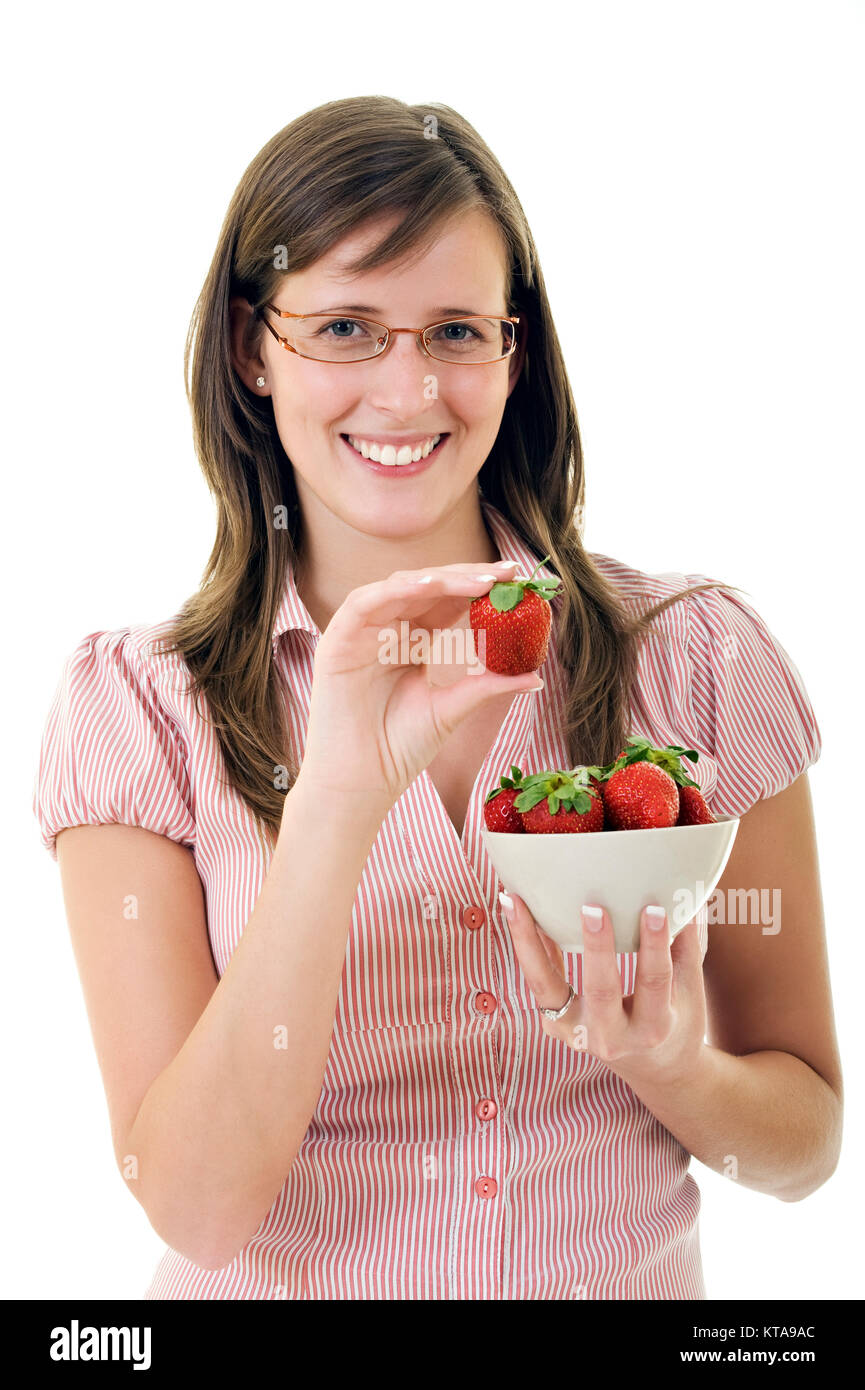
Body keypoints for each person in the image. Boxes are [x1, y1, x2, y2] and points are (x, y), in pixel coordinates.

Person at [32, 95, 842, 1300]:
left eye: (456, 330)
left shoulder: (699, 660)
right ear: (255, 348)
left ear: (514, 354)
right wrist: (336, 808)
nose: (408, 393)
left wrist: (676, 1065)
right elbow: (199, 1210)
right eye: (349, 326)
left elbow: (803, 1145)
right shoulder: (139, 711)